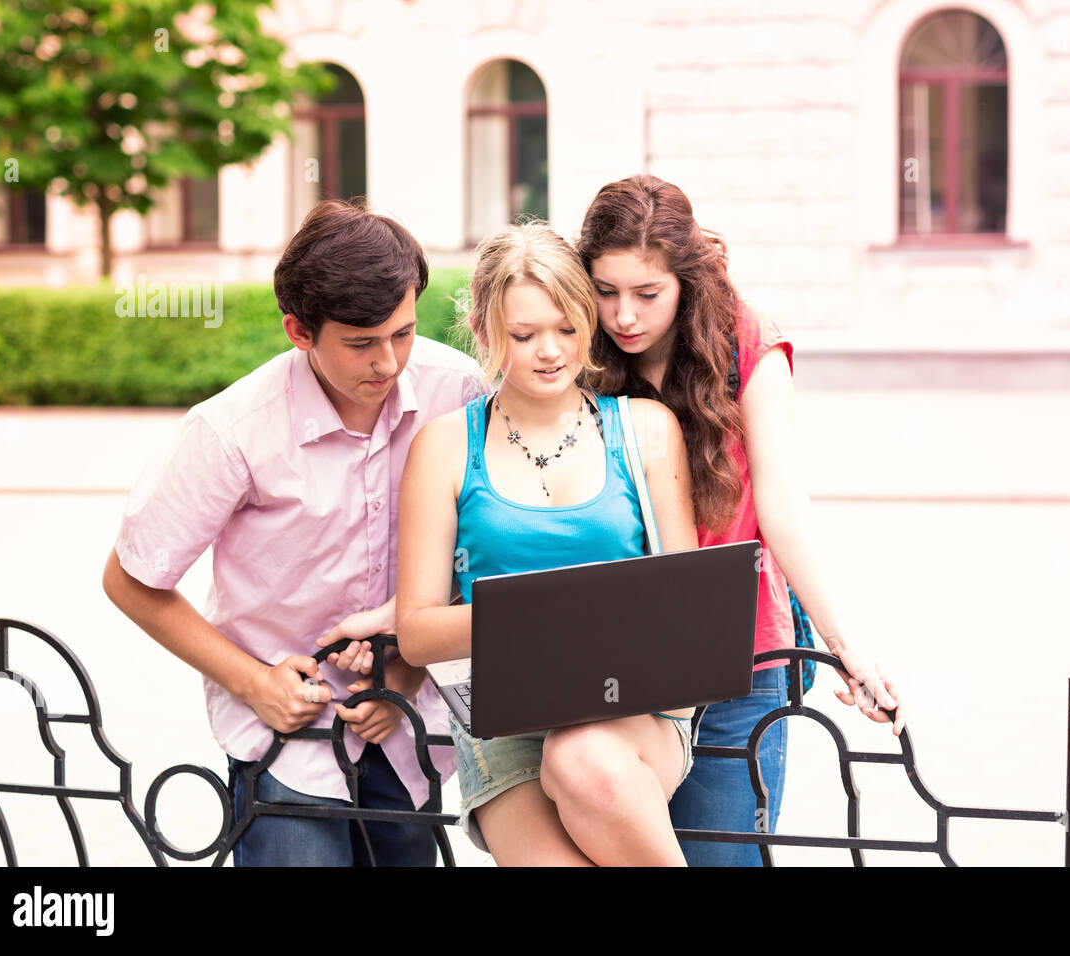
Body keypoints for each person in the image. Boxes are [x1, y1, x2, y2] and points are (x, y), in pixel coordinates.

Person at [101, 198, 488, 866]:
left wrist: (405, 663)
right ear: (298, 331)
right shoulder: (232, 431)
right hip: (284, 735)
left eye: (403, 332)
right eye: (361, 343)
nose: (390, 362)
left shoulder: (458, 391)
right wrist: (254, 684)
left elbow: (483, 552)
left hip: (408, 724)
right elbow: (131, 580)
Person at [318, 221, 698, 865]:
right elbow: (417, 633)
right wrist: (549, 614)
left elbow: (687, 606)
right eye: (524, 336)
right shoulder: (445, 446)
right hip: (504, 724)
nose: (549, 351)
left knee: (583, 757)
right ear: (490, 335)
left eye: (567, 329)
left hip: (631, 713)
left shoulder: (645, 430)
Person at [576, 174, 908, 866]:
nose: (624, 316)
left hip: (739, 655)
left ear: (685, 277)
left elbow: (782, 507)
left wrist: (851, 646)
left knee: (722, 855)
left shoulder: (745, 340)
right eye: (606, 291)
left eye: (647, 293)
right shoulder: (577, 346)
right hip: (616, 653)